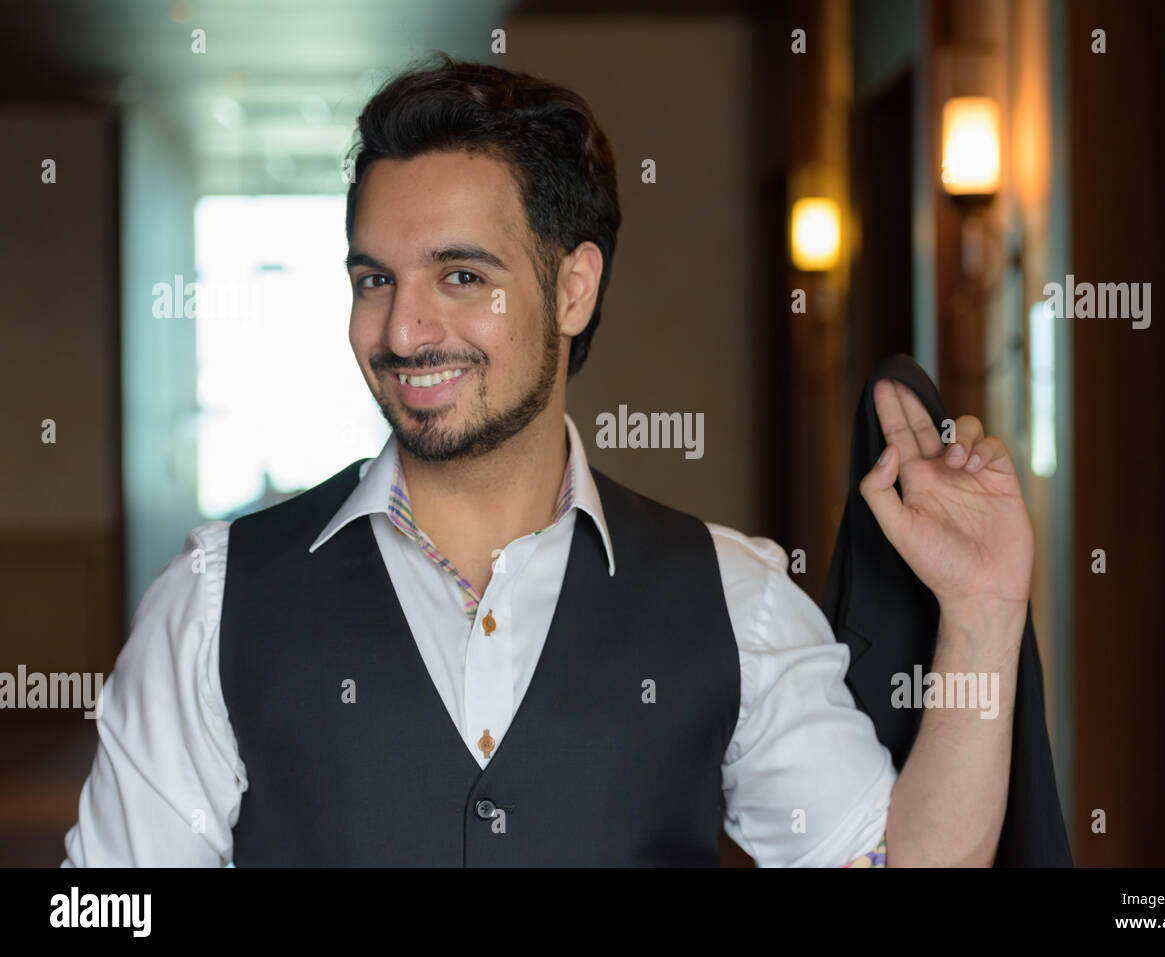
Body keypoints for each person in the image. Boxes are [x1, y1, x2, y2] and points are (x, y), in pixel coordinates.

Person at [63, 54, 1033, 867]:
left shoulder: (730, 601)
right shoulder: (212, 601)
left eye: (459, 275)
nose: (402, 328)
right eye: (374, 279)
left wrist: (984, 617)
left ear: (573, 288)